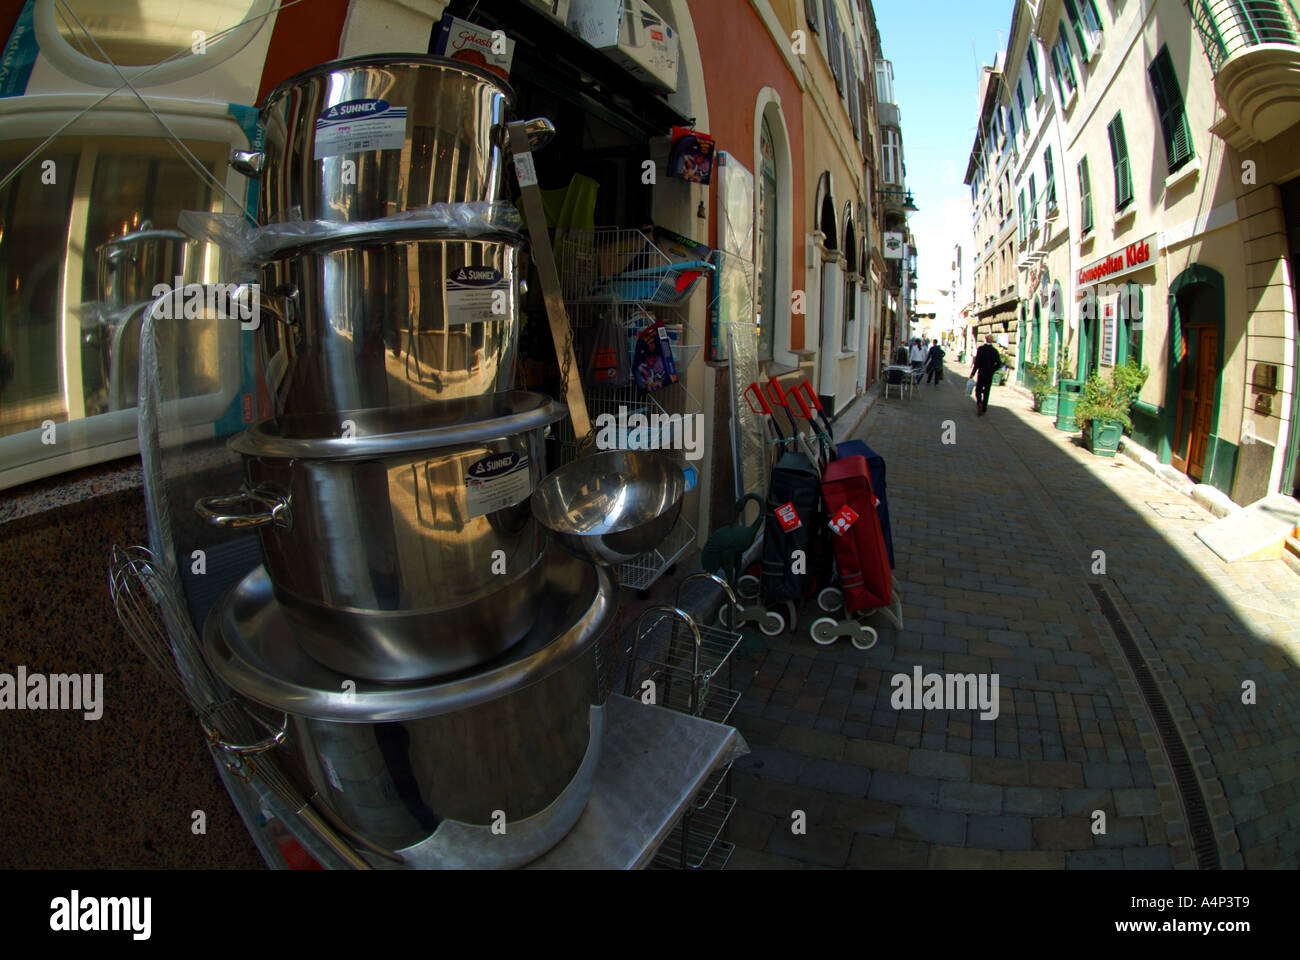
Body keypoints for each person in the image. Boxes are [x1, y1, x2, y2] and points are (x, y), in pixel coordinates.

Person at [970, 334, 1002, 415]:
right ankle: (984, 407)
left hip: (981, 373)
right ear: (992, 341)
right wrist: (992, 370)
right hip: (989, 374)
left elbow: (977, 363)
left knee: (978, 390)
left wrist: (972, 374)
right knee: (987, 391)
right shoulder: (995, 351)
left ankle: (979, 402)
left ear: (985, 339)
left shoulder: (981, 349)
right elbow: (999, 364)